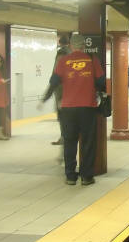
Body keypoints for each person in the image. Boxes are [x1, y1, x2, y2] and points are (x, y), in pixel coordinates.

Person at [40, 35, 105, 186]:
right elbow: (101, 81)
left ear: (70, 45)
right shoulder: (91, 59)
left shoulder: (63, 61)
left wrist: (45, 98)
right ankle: (87, 177)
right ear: (84, 45)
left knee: (69, 142)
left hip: (68, 108)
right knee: (88, 143)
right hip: (87, 107)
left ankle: (70, 176)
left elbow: (53, 82)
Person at [50, 35, 71, 145]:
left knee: (62, 115)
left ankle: (64, 137)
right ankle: (66, 136)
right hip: (70, 89)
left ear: (60, 42)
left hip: (60, 89)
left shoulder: (61, 54)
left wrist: (52, 85)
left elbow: (56, 71)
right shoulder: (71, 53)